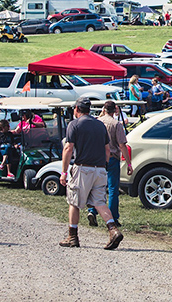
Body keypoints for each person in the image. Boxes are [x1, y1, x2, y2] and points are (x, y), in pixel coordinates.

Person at [59, 97, 123, 250]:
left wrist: (64, 171)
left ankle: (72, 236)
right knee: (99, 202)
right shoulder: (100, 125)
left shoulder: (74, 125)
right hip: (100, 168)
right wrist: (104, 165)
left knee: (74, 201)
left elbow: (68, 148)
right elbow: (107, 149)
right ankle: (113, 230)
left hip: (83, 168)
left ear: (76, 109)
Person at [87, 101, 133, 228]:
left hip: (97, 157)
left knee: (96, 186)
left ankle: (92, 211)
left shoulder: (97, 122)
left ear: (104, 109)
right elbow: (122, 145)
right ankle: (113, 217)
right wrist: (129, 163)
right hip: (112, 157)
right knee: (113, 188)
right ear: (115, 110)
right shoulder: (116, 124)